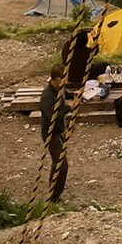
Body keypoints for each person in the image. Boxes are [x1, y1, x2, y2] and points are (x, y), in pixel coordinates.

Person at [39, 68, 69, 203]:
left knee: (57, 161)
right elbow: (52, 118)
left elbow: (65, 95)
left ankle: (53, 185)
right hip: (51, 134)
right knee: (61, 165)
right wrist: (69, 108)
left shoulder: (59, 89)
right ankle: (54, 197)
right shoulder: (47, 97)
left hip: (60, 130)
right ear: (57, 80)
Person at [64, 27, 93, 92]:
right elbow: (96, 50)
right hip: (80, 76)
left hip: (69, 75)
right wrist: (94, 37)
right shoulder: (86, 52)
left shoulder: (67, 46)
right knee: (103, 66)